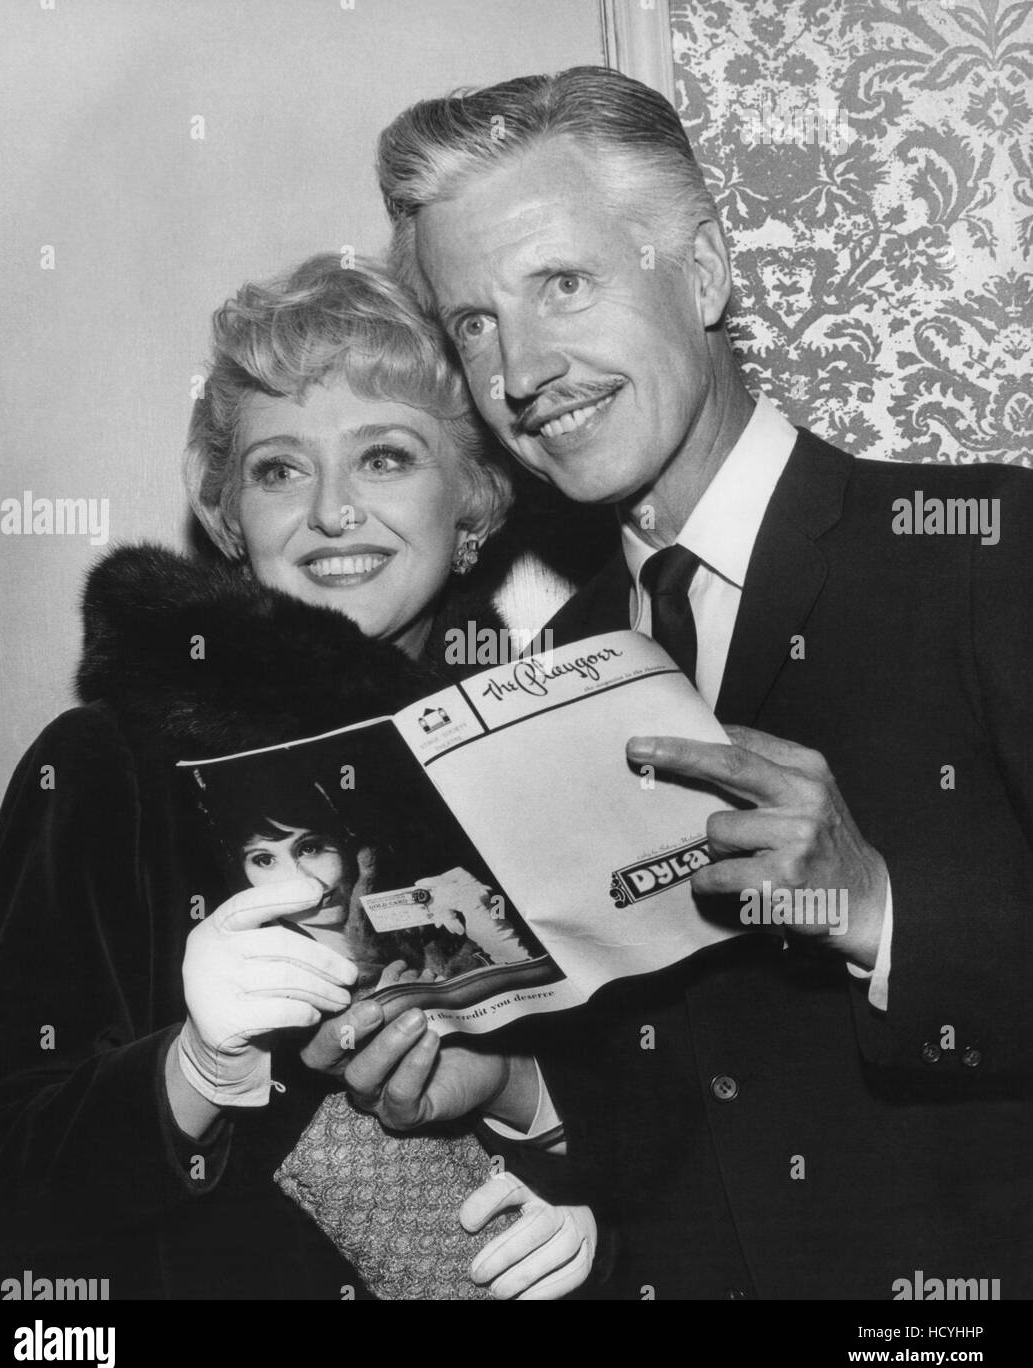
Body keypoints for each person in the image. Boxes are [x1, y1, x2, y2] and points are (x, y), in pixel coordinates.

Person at [307, 66, 1032, 1300]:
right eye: (472, 323)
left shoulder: (981, 551)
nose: (521, 369)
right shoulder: (560, 665)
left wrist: (879, 910)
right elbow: (695, 1106)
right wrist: (516, 1091)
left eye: (562, 285)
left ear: (700, 276)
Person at [0, 253, 595, 1301]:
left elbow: (694, 1121)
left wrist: (551, 1131)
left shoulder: (542, 758)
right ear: (227, 515)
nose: (333, 514)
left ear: (475, 502)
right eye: (279, 469)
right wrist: (190, 1072)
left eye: (386, 457)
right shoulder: (105, 770)